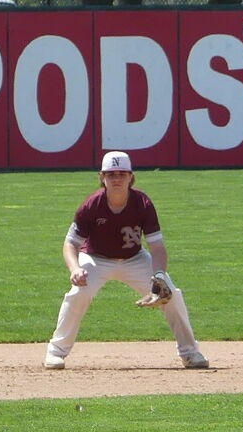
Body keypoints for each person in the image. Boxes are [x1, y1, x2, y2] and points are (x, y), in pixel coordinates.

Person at [44, 150, 209, 371]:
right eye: (111, 174)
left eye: (122, 173)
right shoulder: (91, 205)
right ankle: (55, 352)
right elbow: (70, 244)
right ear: (102, 177)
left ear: (131, 176)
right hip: (95, 259)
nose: (117, 179)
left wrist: (159, 276)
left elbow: (157, 247)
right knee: (79, 293)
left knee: (170, 293)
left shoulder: (142, 203)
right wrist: (75, 268)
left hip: (135, 259)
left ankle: (190, 353)